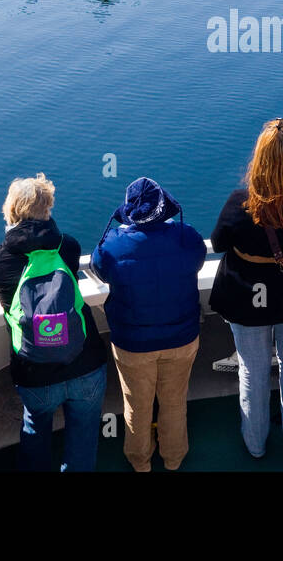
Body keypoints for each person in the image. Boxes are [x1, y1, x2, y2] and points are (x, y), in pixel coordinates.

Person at [209, 118, 283, 458]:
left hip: (246, 300)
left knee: (253, 371)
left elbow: (217, 244)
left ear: (259, 158)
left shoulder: (239, 203)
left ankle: (255, 445)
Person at [0, 173, 110, 472]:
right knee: (83, 441)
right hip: (86, 364)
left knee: (35, 434)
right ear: (48, 208)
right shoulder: (69, 247)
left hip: (33, 372)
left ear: (10, 210)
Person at [90, 177, 207, 472]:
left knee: (137, 407)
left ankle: (140, 463)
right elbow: (197, 260)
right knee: (174, 402)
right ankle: (173, 458)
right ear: (163, 207)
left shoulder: (112, 246)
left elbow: (99, 268)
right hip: (182, 338)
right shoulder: (187, 238)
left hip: (133, 344)